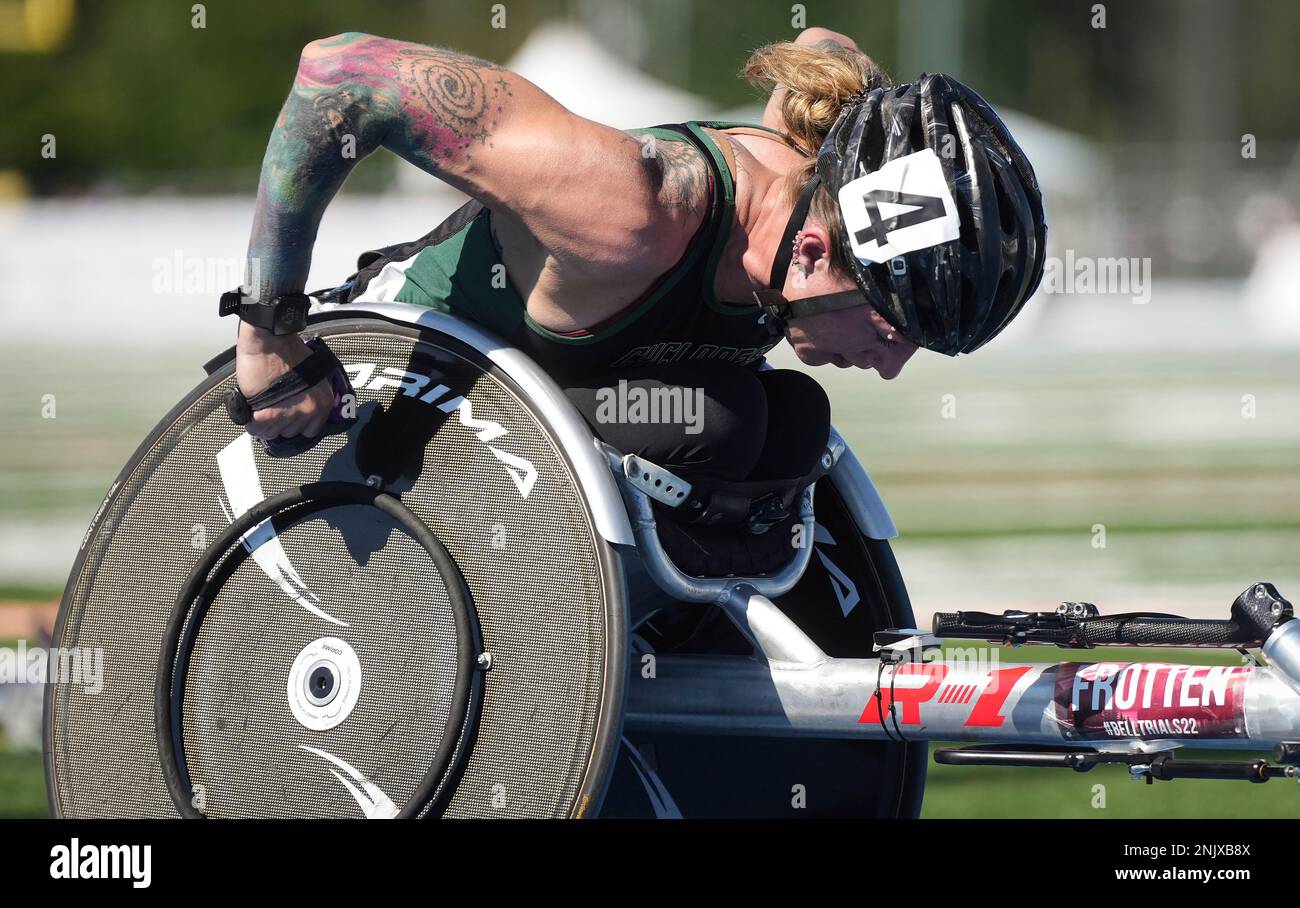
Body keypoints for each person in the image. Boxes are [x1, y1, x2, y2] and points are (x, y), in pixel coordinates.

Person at [224, 26, 1045, 530]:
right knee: (717, 422)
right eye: (889, 329)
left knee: (791, 421)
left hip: (557, 399)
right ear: (812, 256)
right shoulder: (631, 205)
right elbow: (341, 74)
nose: (892, 364)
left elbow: (827, 48)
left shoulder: (804, 201)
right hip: (399, 397)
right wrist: (267, 333)